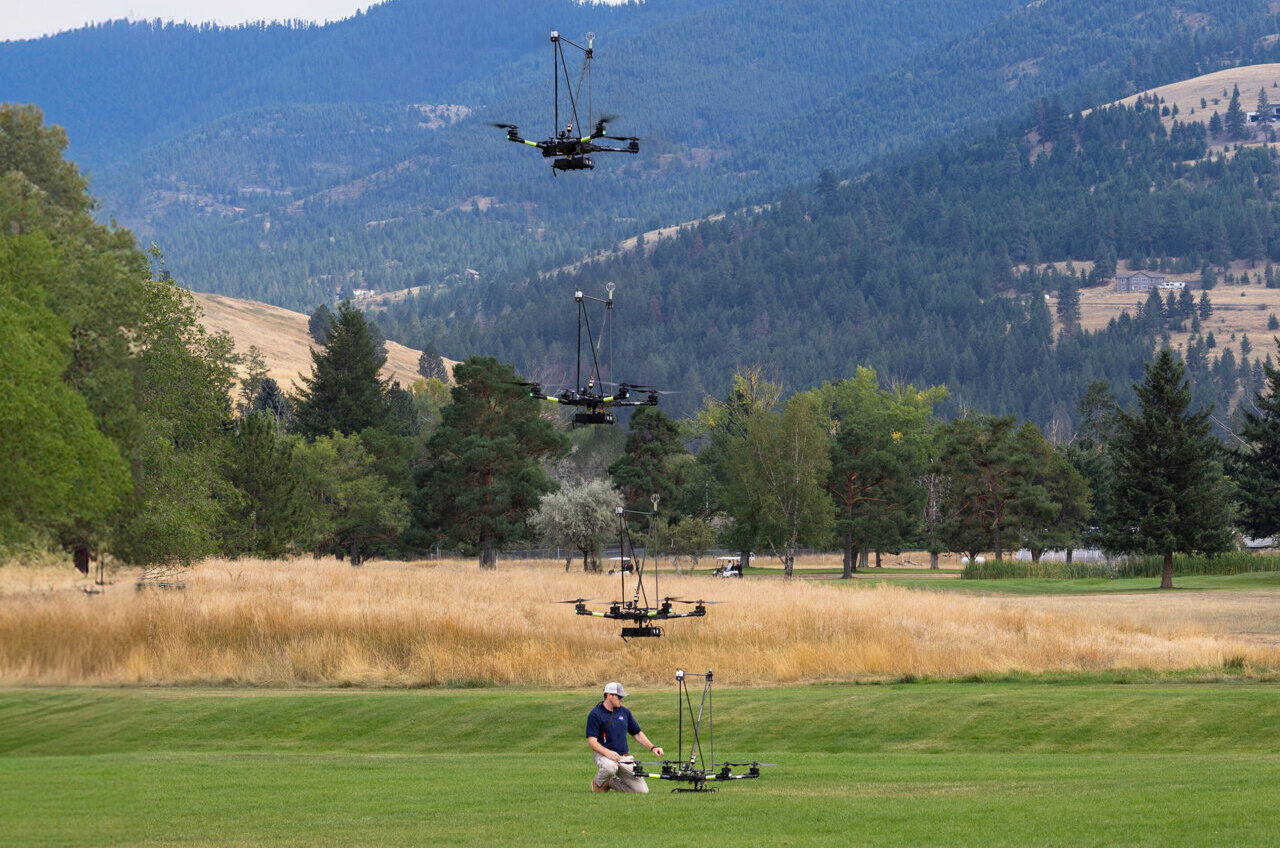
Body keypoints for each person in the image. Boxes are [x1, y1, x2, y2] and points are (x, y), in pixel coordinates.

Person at [586, 681, 663, 793]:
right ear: (608, 695)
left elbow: (637, 733)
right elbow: (592, 742)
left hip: (623, 758)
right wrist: (608, 753)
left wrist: (653, 747)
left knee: (642, 791)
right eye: (619, 696)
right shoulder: (595, 714)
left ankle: (610, 782)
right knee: (610, 767)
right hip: (603, 755)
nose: (622, 699)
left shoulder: (625, 712)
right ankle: (597, 784)